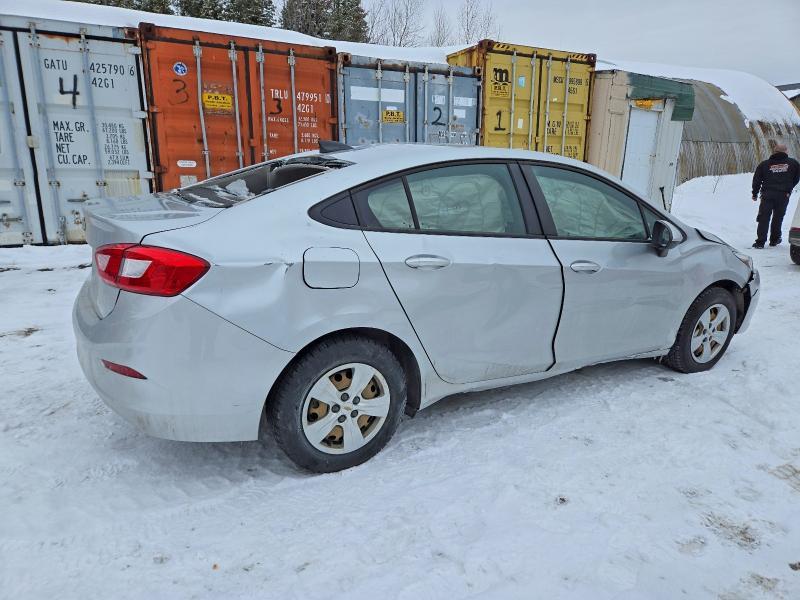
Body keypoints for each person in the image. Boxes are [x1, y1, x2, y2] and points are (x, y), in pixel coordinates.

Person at [751, 143, 800, 248]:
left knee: (764, 217)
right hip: (783, 195)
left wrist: (754, 193)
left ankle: (760, 242)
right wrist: (789, 189)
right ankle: (774, 239)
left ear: (774, 152)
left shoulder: (764, 164)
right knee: (778, 218)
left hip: (767, 195)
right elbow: (796, 178)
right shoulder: (794, 163)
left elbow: (757, 180)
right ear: (786, 152)